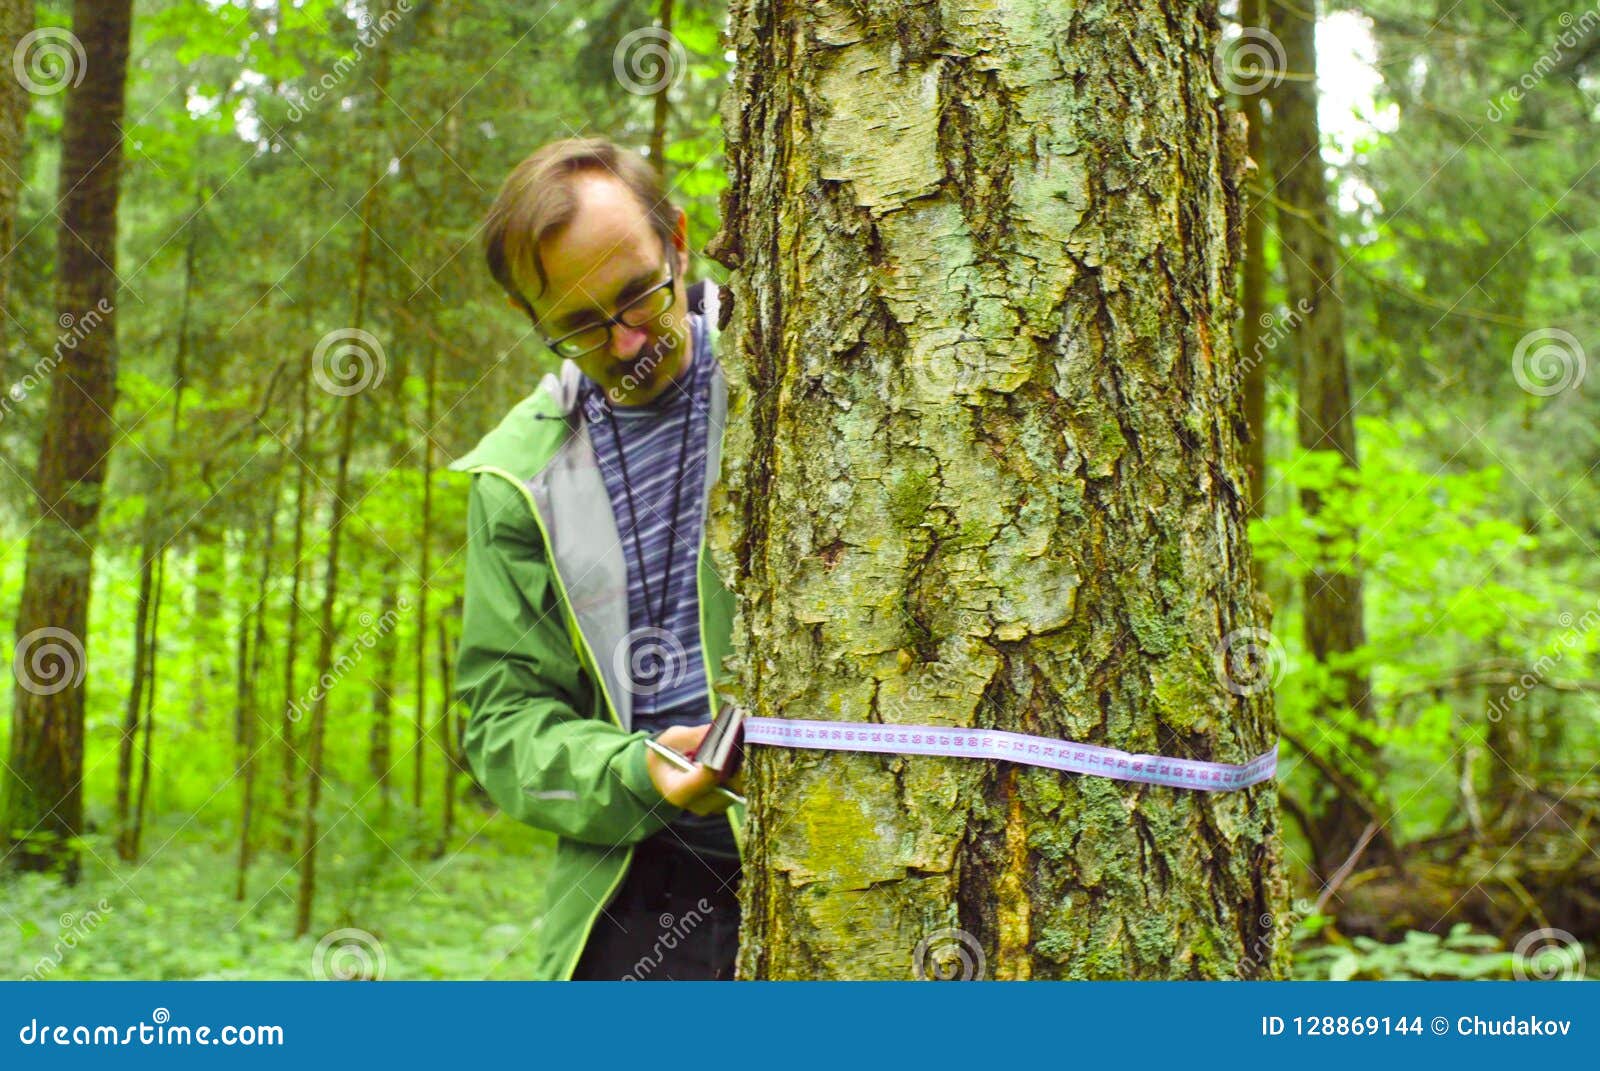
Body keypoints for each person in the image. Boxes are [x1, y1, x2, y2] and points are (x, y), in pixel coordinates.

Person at [450, 137, 744, 980]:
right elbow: (505, 727)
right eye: (579, 323)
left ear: (679, 241)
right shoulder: (518, 476)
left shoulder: (798, 357)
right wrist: (635, 771)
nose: (624, 345)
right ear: (530, 318)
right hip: (639, 874)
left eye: (639, 298)